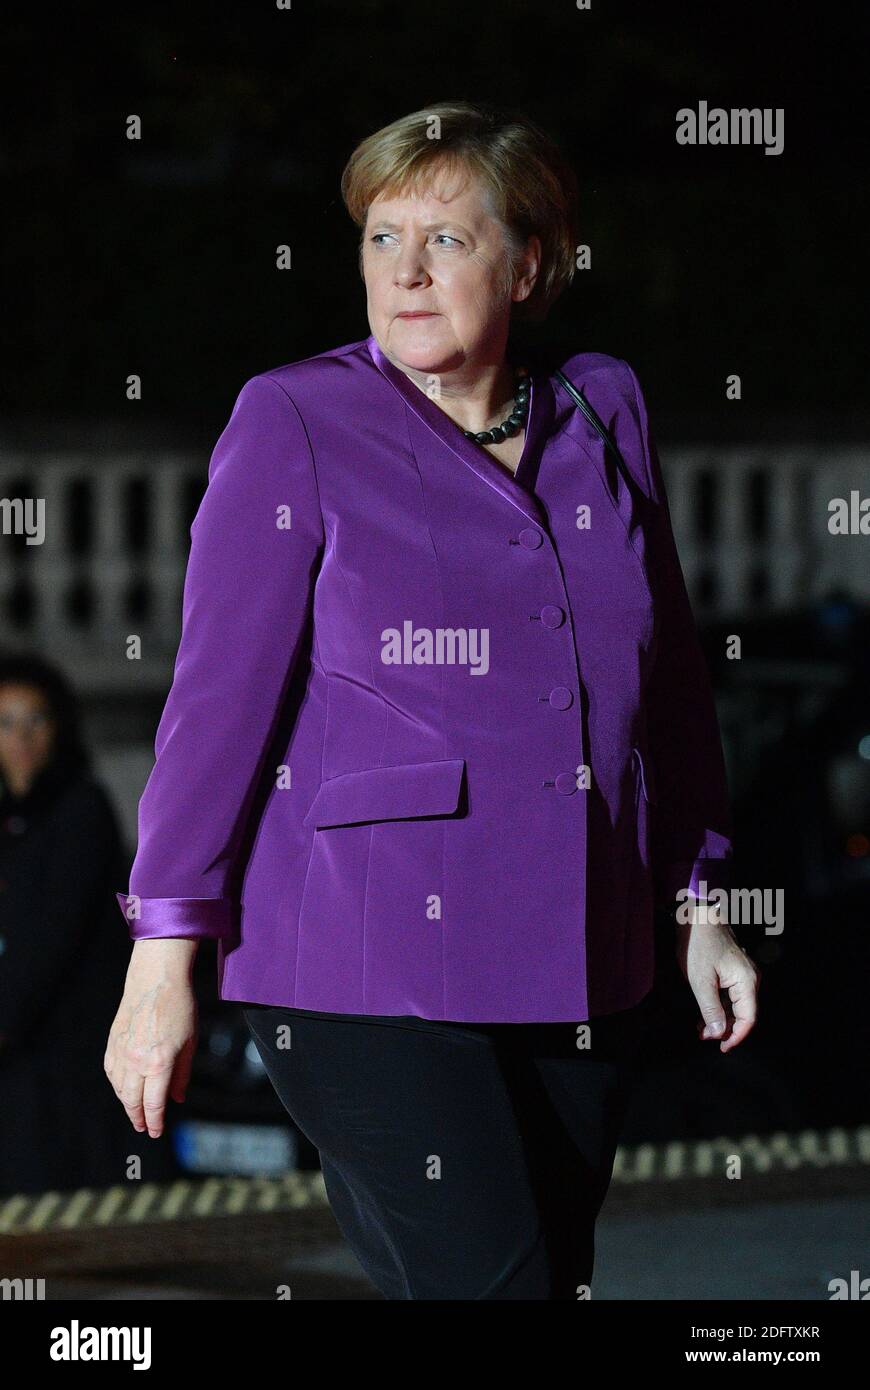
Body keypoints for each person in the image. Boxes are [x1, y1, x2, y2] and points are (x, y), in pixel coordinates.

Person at [106, 101, 759, 1299]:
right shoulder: (296, 418)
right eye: (379, 237)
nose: (404, 271)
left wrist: (698, 895)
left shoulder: (604, 408)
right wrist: (163, 955)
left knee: (551, 1278)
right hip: (363, 963)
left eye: (447, 240)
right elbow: (215, 708)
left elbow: (663, 684)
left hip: (580, 955)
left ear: (528, 260)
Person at [0, 654, 133, 1194]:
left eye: (37, 719)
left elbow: (53, 935)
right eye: (6, 722)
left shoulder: (81, 808)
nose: (22, 737)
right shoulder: (9, 817)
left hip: (65, 1042)